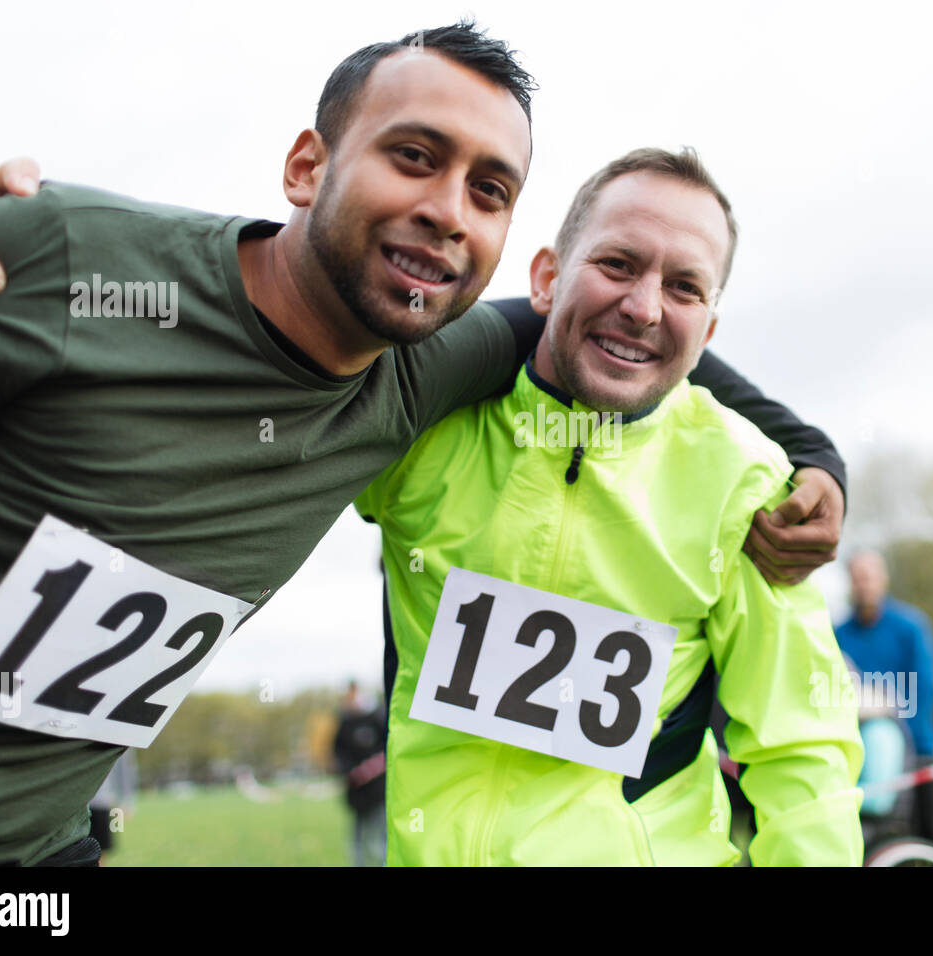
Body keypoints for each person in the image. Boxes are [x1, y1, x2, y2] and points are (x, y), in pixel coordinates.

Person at [0, 23, 845, 866]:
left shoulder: (419, 377)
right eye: (413, 156)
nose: (447, 211)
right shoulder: (56, 262)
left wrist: (815, 459)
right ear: (307, 167)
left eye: (489, 191)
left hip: (43, 857)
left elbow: (621, 338)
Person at [357, 147, 864, 866]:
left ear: (709, 332)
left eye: (685, 287)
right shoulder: (419, 429)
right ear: (547, 278)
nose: (644, 306)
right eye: (618, 264)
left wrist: (819, 457)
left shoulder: (745, 481)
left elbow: (802, 747)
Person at [835, 550, 933, 849]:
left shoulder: (910, 626)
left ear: (883, 579)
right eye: (857, 577)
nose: (864, 584)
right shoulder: (838, 634)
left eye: (869, 576)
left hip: (917, 748)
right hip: (863, 755)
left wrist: (896, 726)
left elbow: (925, 688)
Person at [331, 681, 387, 867]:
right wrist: (350, 772)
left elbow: (387, 749)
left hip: (378, 790)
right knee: (357, 835)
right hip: (356, 792)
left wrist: (371, 769)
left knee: (380, 833)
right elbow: (338, 753)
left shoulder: (377, 718)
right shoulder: (345, 722)